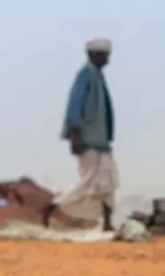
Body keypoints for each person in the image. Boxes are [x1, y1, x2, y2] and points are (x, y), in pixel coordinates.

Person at [43, 37, 118, 231]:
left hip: (102, 141)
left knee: (108, 183)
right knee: (88, 184)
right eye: (104, 56)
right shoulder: (85, 75)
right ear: (93, 55)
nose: (107, 60)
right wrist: (75, 135)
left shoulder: (99, 77)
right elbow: (74, 105)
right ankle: (54, 206)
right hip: (88, 140)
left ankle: (107, 223)